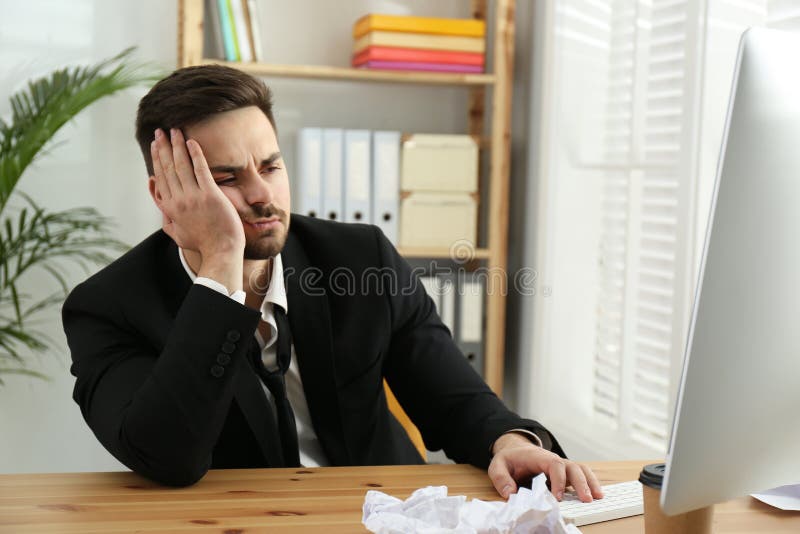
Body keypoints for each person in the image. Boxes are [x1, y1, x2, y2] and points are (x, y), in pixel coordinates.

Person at [62, 65, 602, 503]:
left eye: (270, 166)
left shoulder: (360, 256)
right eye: (227, 179)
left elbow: (452, 399)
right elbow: (169, 457)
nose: (262, 196)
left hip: (388, 513)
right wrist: (221, 263)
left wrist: (509, 440)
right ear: (166, 195)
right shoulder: (108, 308)